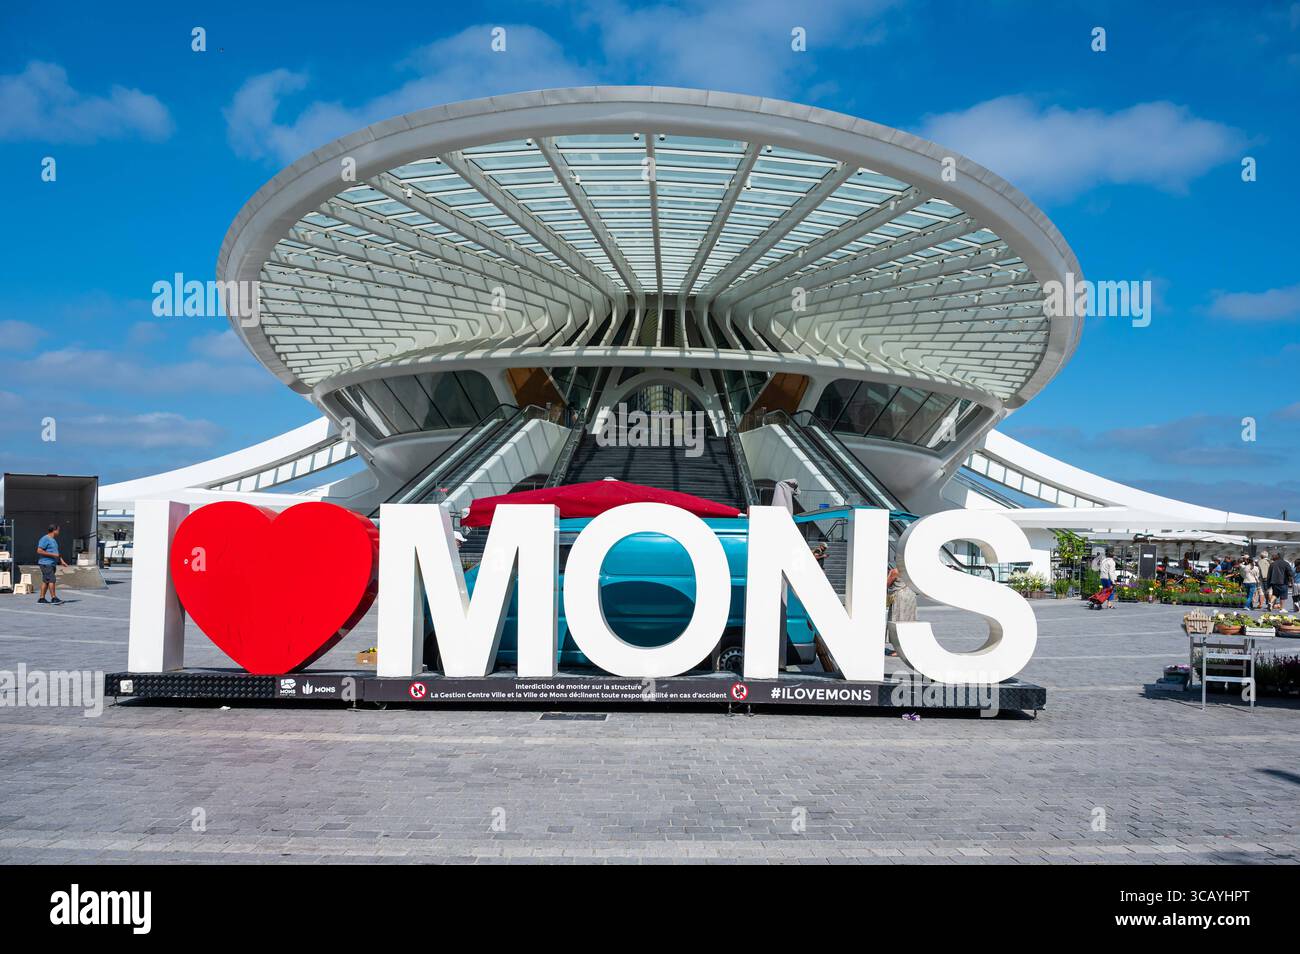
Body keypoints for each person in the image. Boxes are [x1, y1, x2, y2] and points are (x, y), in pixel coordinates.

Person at [885, 567, 915, 656]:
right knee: (908, 621)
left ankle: (899, 650)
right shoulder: (911, 570)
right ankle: (907, 648)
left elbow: (887, 583)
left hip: (899, 597)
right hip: (911, 596)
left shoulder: (895, 571)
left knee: (896, 621)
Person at [36, 524, 68, 605]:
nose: (59, 532)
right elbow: (39, 551)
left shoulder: (53, 540)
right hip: (46, 563)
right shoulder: (45, 538)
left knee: (46, 581)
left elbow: (56, 553)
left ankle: (41, 598)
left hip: (51, 564)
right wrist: (54, 555)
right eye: (58, 530)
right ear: (54, 530)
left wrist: (62, 561)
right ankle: (54, 598)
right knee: (51, 580)